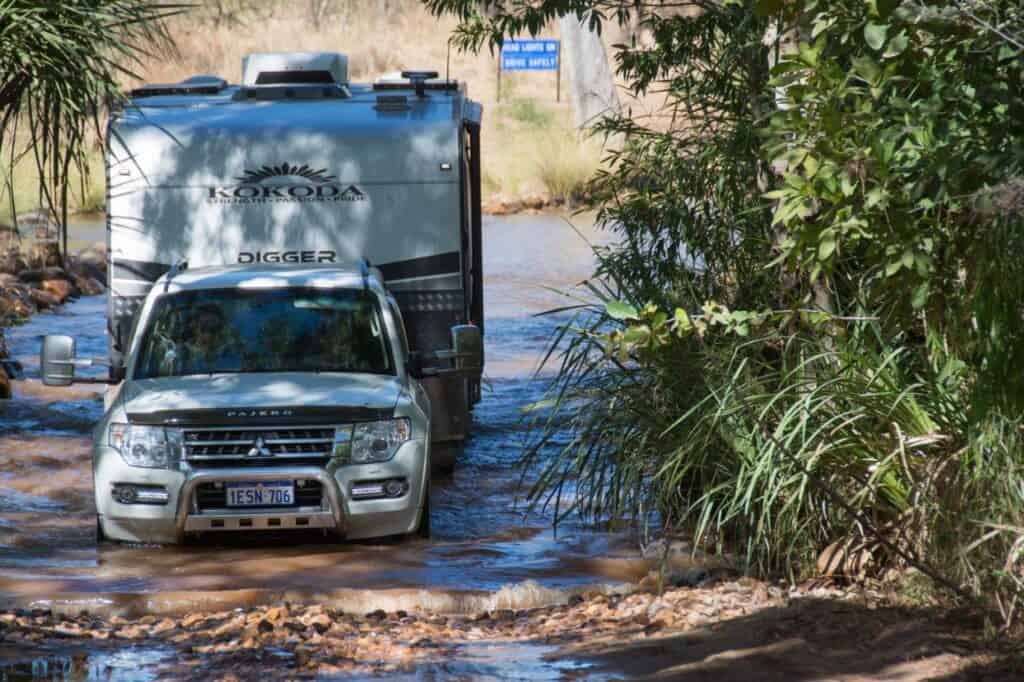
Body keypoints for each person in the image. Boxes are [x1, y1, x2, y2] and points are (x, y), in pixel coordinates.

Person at [180, 304, 242, 374]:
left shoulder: (231, 350)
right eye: (204, 324)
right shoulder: (184, 352)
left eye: (213, 325)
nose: (208, 331)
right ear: (194, 326)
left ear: (221, 327)